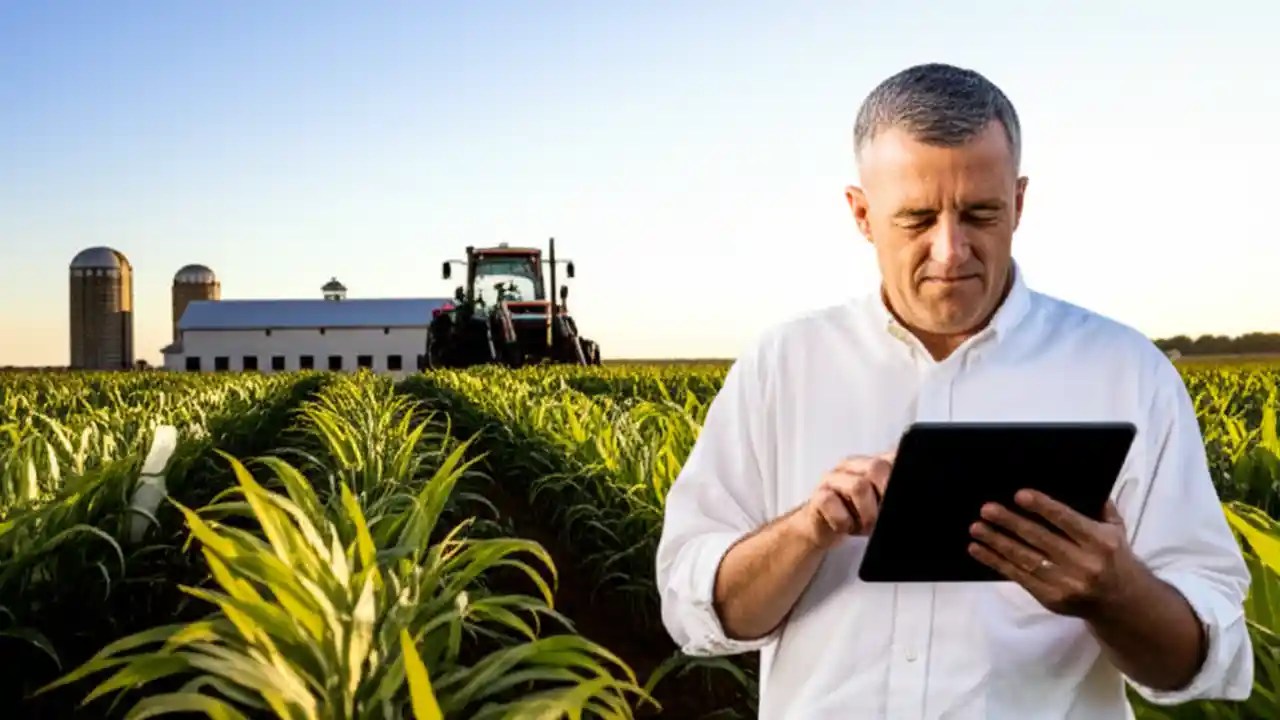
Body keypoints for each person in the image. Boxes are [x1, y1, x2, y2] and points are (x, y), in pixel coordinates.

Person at [654, 62, 1253, 719]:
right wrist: (806, 530)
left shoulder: (1127, 373)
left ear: (1019, 204)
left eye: (980, 213)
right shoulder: (781, 366)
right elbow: (696, 615)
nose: (950, 250)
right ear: (861, 214)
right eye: (915, 219)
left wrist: (1114, 591)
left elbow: (1206, 658)